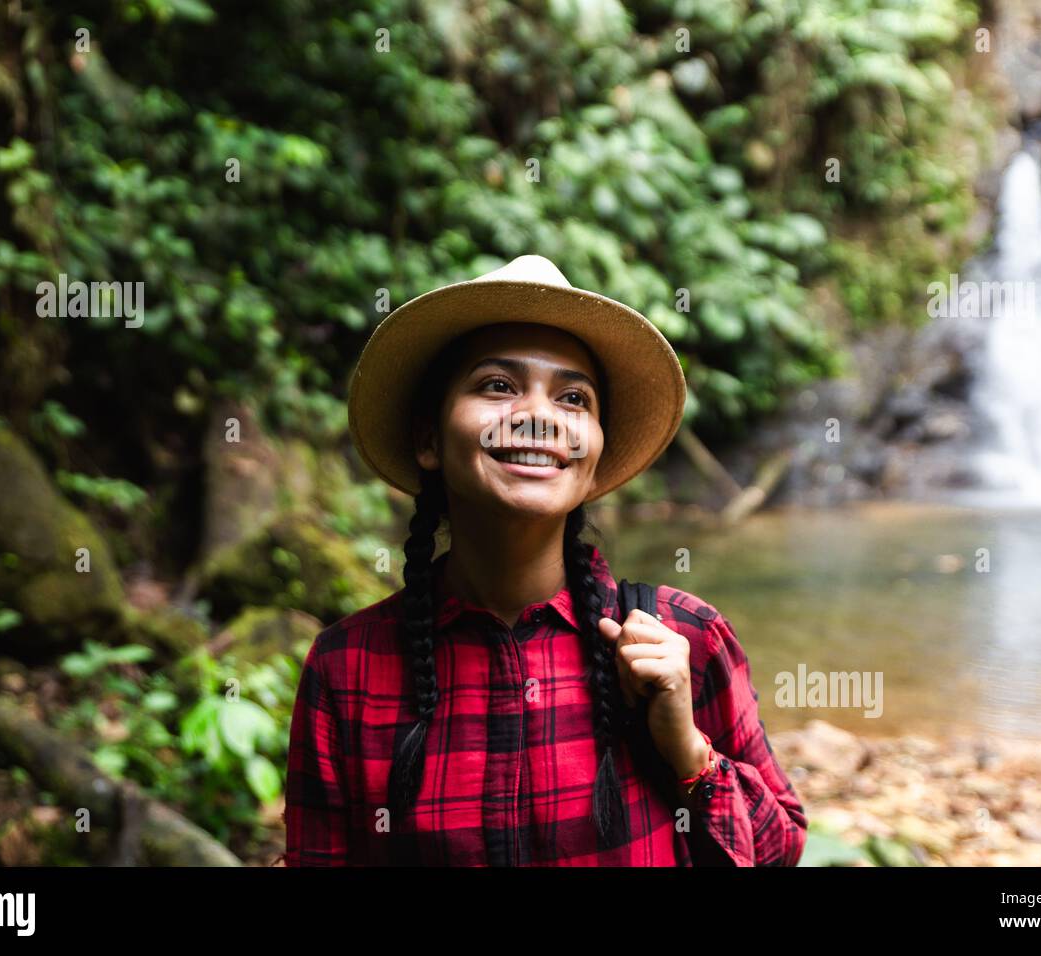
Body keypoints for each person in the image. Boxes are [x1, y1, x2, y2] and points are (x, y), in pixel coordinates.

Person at [284, 254, 807, 865]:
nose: (538, 417)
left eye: (574, 398)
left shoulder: (681, 640)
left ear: (593, 457)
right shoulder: (348, 667)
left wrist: (688, 749)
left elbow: (780, 851)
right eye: (498, 386)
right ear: (429, 438)